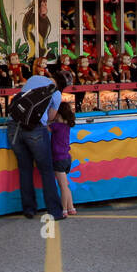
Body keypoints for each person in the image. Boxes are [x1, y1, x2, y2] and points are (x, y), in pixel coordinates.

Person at [8, 68, 66, 220]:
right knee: (46, 170)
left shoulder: (33, 78)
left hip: (14, 127)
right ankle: (54, 211)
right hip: (35, 131)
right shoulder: (56, 93)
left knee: (24, 169)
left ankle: (29, 209)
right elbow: (50, 117)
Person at [49, 76, 77, 216]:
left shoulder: (56, 126)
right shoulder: (66, 126)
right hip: (67, 158)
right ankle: (71, 207)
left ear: (58, 113)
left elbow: (45, 126)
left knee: (62, 186)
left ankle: (64, 209)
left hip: (58, 159)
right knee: (65, 184)